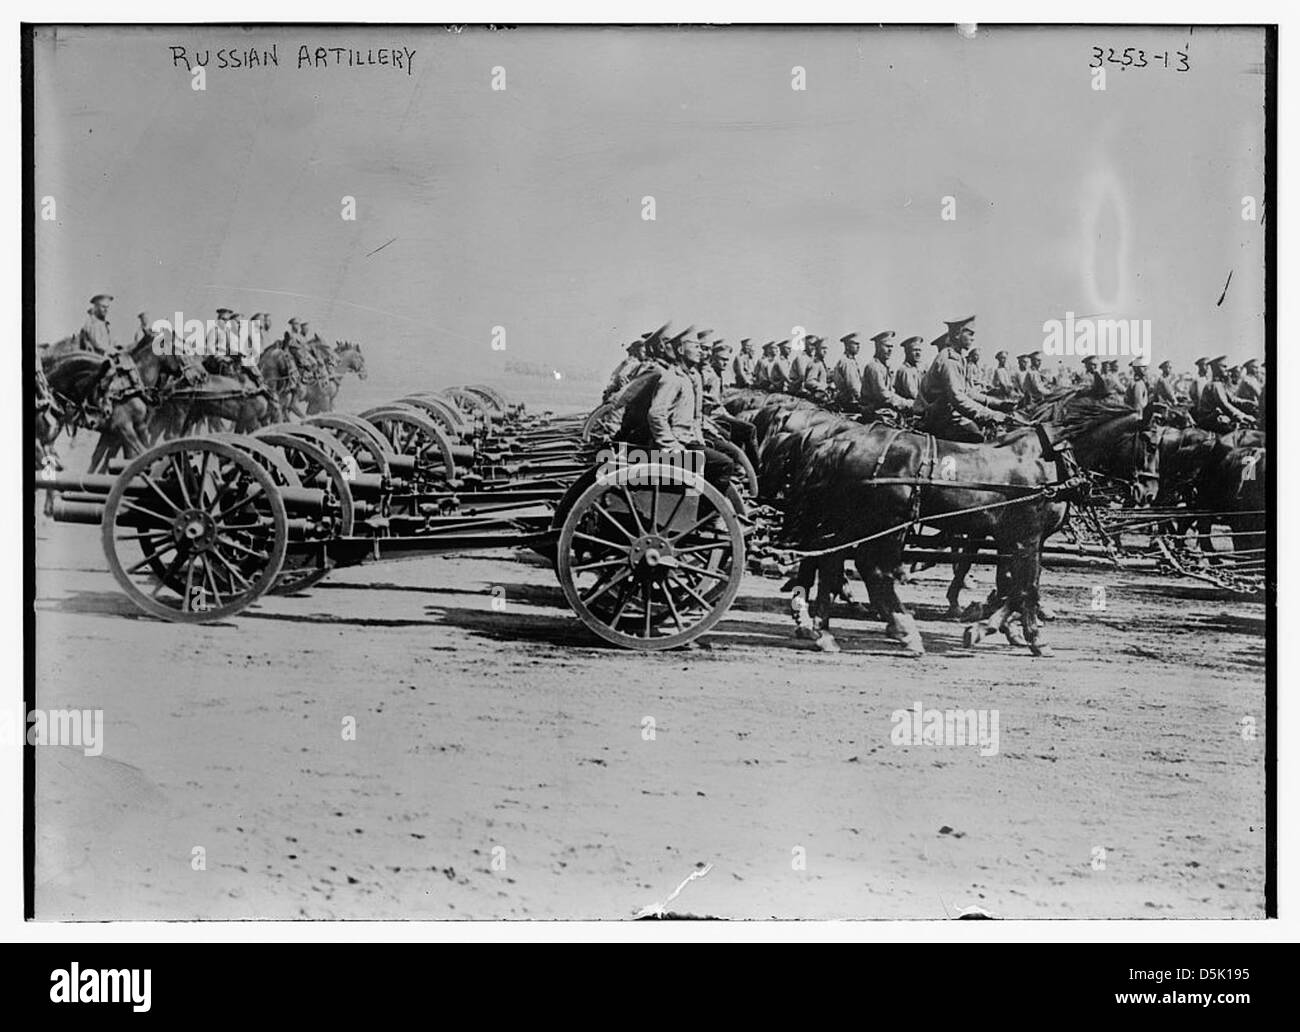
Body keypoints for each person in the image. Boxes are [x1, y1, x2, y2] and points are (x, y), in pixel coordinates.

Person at [642, 333, 735, 493]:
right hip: (677, 443)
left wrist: (700, 441)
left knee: (723, 454)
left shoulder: (692, 377)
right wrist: (670, 445)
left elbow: (696, 417)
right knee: (724, 464)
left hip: (689, 441)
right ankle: (705, 515)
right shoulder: (672, 378)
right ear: (680, 349)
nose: (701, 351)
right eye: (695, 346)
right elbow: (656, 414)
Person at [918, 316, 1014, 442]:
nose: (973, 338)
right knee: (977, 438)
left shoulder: (958, 358)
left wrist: (998, 404)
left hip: (946, 414)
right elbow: (957, 397)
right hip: (937, 419)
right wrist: (989, 414)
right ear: (957, 334)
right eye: (970, 333)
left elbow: (968, 391)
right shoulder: (949, 360)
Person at [860, 330, 911, 421]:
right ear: (878, 347)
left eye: (891, 347)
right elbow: (883, 396)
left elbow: (891, 392)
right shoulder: (873, 367)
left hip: (883, 409)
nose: (890, 350)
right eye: (887, 346)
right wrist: (907, 403)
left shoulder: (885, 366)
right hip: (873, 411)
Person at [1195, 355, 1255, 432]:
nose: (1227, 369)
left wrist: (1250, 403)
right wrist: (1243, 416)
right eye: (1224, 367)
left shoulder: (1220, 384)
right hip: (1208, 420)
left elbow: (1232, 399)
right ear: (1216, 368)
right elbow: (1224, 405)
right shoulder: (1214, 385)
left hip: (1214, 417)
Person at [829, 332, 863, 411]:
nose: (858, 347)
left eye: (859, 344)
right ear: (847, 346)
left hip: (848, 401)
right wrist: (864, 401)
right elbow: (853, 386)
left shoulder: (851, 361)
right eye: (855, 344)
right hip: (849, 403)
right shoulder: (846, 362)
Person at [892, 336, 926, 404]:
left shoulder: (919, 369)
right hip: (909, 409)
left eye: (919, 350)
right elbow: (913, 394)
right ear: (907, 352)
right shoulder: (904, 370)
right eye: (915, 350)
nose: (918, 353)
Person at [799, 336, 831, 400]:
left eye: (826, 348)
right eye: (823, 348)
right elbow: (809, 382)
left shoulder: (821, 363)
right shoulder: (815, 363)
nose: (825, 351)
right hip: (816, 398)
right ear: (817, 349)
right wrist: (825, 386)